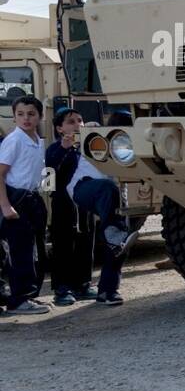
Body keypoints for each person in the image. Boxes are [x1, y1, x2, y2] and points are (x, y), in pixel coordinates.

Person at [45, 108, 137, 306]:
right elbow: (47, 180)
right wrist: (64, 148)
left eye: (80, 120)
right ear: (60, 128)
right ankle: (62, 289)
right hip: (65, 201)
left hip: (100, 197)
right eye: (71, 121)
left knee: (101, 241)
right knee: (64, 244)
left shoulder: (93, 142)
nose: (78, 124)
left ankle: (101, 289)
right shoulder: (55, 148)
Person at [0, 95, 50, 315]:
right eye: (20, 114)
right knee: (19, 250)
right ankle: (18, 300)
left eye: (31, 114)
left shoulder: (39, 141)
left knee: (34, 250)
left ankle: (28, 296)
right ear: (14, 117)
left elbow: (42, 172)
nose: (26, 119)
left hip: (32, 198)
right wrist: (5, 206)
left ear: (40, 116)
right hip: (15, 199)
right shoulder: (15, 140)